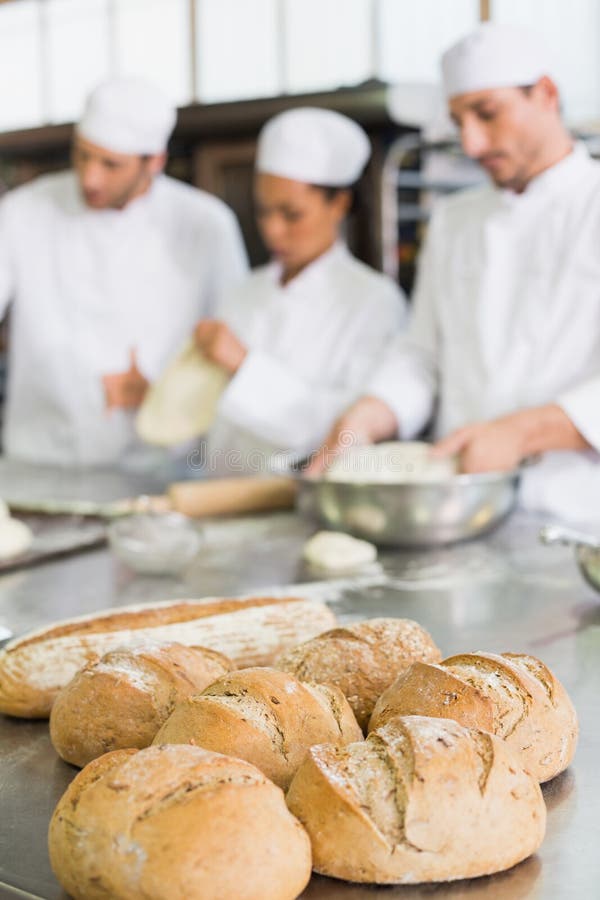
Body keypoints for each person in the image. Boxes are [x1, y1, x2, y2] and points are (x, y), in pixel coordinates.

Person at [308, 24, 600, 522]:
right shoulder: (455, 220)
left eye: (487, 113)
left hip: (576, 517)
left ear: (546, 94)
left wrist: (524, 431)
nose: (471, 142)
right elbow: (422, 354)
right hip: (457, 511)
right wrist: (370, 413)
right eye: (458, 121)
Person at [0, 76, 247, 467]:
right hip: (42, 455)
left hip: (157, 464)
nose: (90, 177)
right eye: (81, 155)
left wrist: (165, 389)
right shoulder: (22, 212)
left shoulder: (205, 225)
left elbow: (230, 342)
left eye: (111, 165)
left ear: (155, 162)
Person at [192, 107, 406, 474]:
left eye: (291, 214)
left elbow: (342, 427)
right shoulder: (241, 294)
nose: (273, 230)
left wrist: (244, 366)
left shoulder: (375, 302)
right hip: (217, 501)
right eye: (263, 211)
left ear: (338, 204)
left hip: (303, 505)